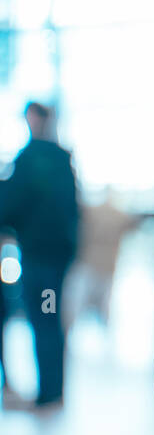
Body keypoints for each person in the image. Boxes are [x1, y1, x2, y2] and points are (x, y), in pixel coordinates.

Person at [0, 102, 80, 408]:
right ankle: (53, 389)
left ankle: (50, 392)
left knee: (43, 318)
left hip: (39, 257)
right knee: (50, 317)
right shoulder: (62, 159)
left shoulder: (30, 159)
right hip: (56, 258)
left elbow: (12, 204)